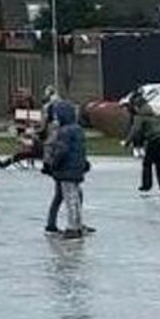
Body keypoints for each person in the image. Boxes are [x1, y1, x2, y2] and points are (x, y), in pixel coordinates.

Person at [44, 101, 92, 238]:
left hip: (65, 170)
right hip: (76, 168)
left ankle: (72, 227)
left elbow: (61, 150)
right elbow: (80, 150)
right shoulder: (78, 129)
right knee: (74, 197)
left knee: (69, 198)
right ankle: (75, 224)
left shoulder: (64, 131)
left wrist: (53, 163)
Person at [126, 92, 160, 194]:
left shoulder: (140, 116)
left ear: (137, 106)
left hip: (154, 139)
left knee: (147, 163)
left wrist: (127, 141)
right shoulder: (152, 113)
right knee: (159, 163)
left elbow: (135, 130)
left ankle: (146, 185)